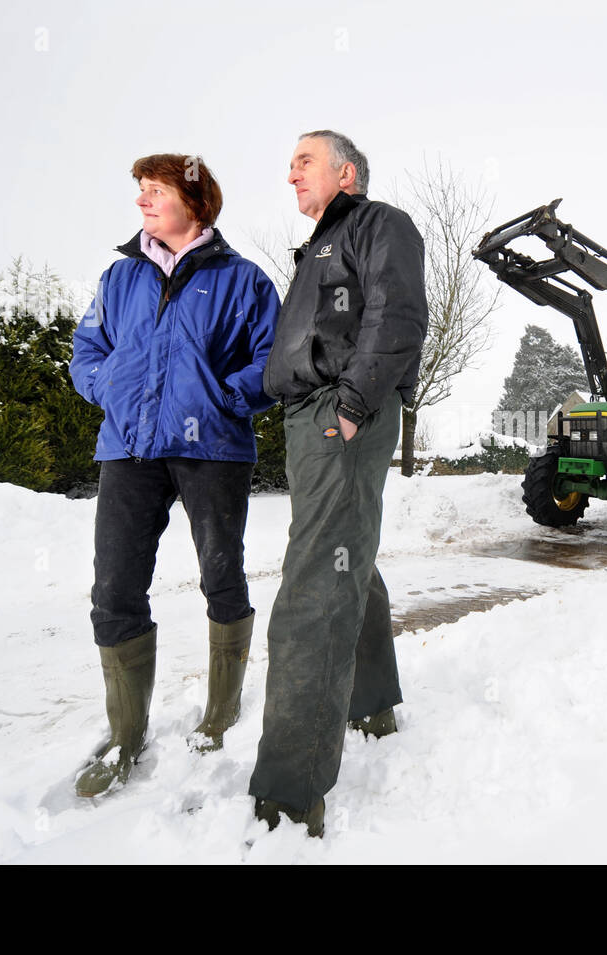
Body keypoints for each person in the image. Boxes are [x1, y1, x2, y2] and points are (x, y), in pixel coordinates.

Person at [68, 153, 280, 797]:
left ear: (195, 201)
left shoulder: (242, 280)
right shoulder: (119, 276)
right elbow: (88, 350)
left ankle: (219, 713)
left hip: (210, 448)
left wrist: (221, 397)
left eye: (154, 190)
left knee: (221, 573)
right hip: (128, 448)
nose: (142, 201)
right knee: (114, 587)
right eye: (139, 190)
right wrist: (112, 386)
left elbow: (271, 361)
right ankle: (126, 735)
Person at [249, 130, 427, 836]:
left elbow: (399, 314)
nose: (290, 171)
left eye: (304, 160)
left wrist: (353, 406)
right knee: (347, 557)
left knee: (315, 583)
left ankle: (291, 793)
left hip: (341, 413)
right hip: (311, 417)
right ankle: (371, 702)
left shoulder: (380, 224)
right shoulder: (318, 248)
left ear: (345, 171)